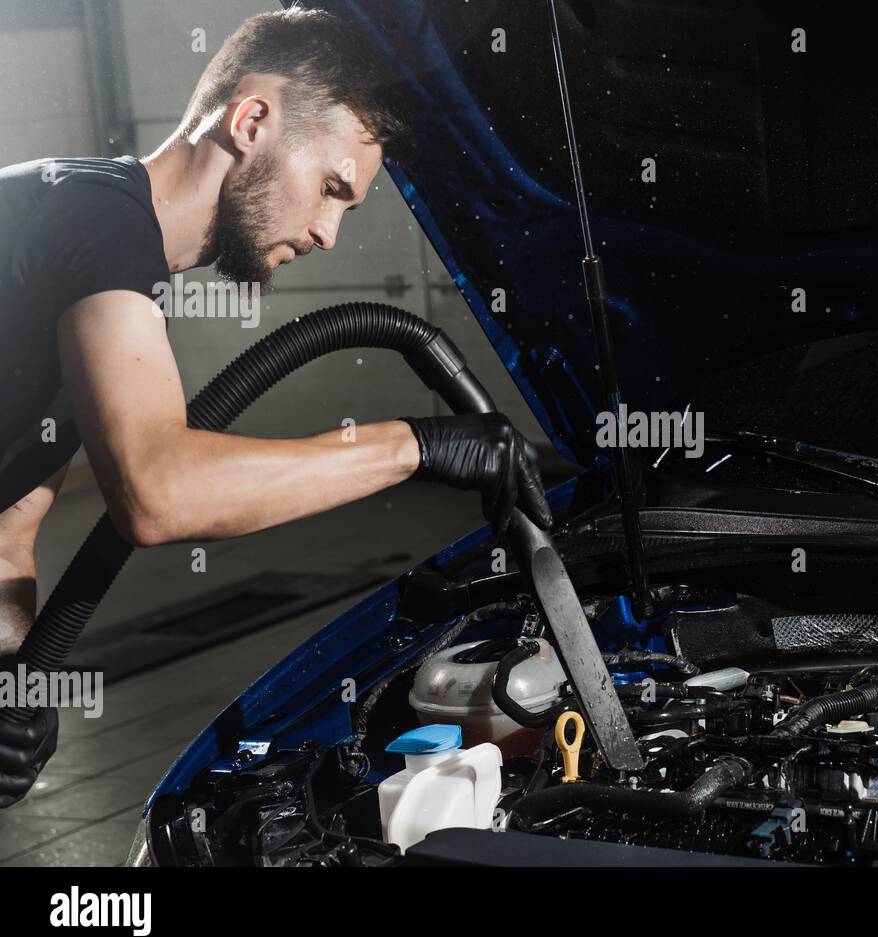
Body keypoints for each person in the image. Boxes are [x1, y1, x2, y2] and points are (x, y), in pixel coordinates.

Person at [0, 8, 551, 807]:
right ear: (251, 117)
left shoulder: (99, 253)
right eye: (331, 189)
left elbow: (12, 517)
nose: (328, 232)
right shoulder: (93, 219)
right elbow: (155, 492)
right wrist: (417, 446)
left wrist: (13, 673)